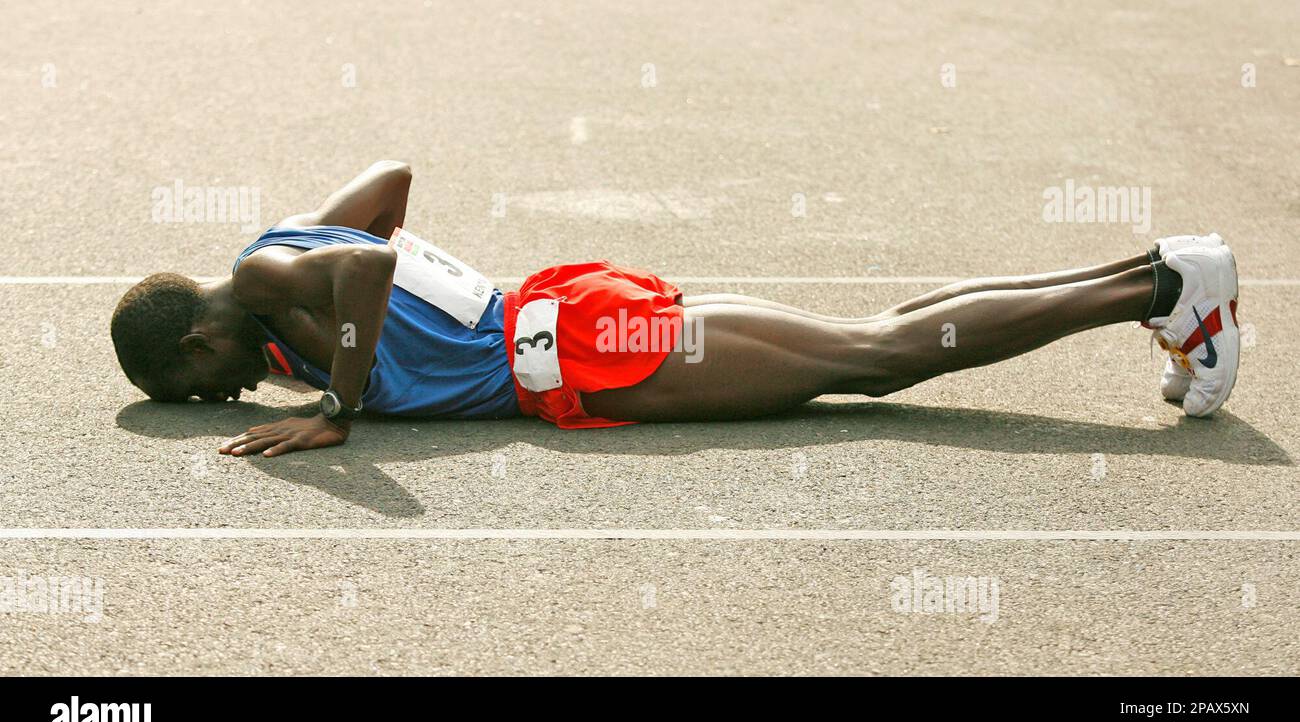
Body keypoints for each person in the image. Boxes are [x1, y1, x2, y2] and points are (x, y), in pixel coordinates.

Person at [110, 162, 1240, 458]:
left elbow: (362, 274)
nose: (230, 392)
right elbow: (385, 194)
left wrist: (338, 405)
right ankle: (1158, 279)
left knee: (881, 354)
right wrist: (410, 322)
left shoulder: (263, 284)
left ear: (196, 339)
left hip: (589, 348)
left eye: (203, 382)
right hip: (572, 318)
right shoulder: (278, 259)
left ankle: (1162, 284)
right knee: (879, 337)